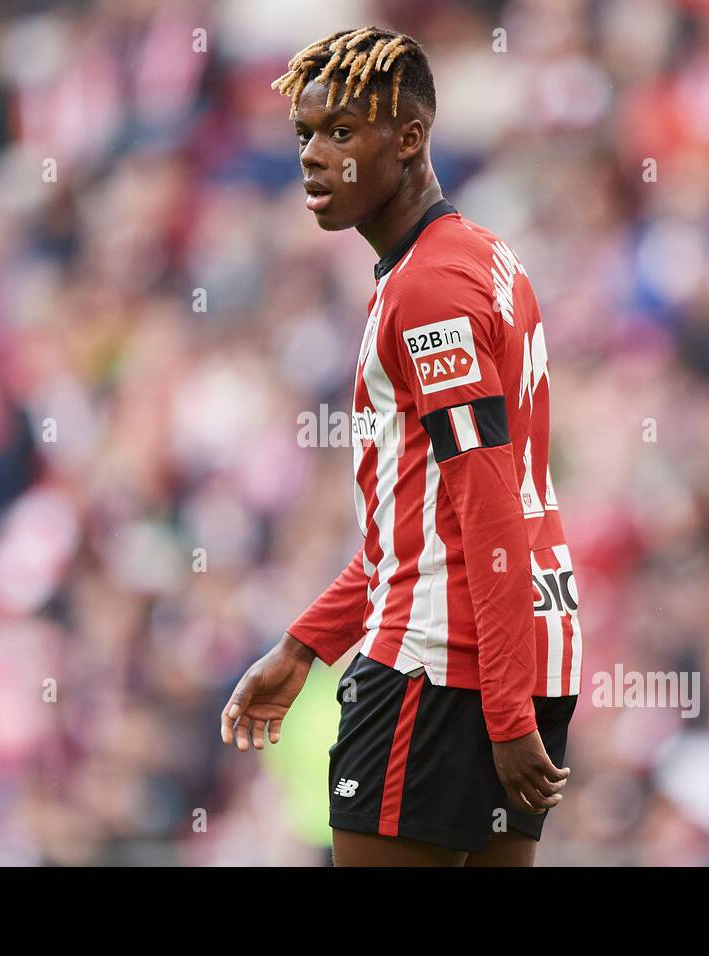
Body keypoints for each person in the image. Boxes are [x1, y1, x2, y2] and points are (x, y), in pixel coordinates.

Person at [221, 26, 584, 866]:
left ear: (411, 138)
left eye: (341, 132)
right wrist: (305, 646)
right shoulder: (485, 258)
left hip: (442, 663)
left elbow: (484, 498)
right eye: (305, 134)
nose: (313, 155)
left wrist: (502, 714)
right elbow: (428, 522)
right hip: (532, 638)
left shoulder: (427, 290)